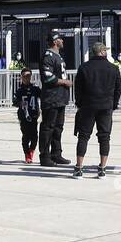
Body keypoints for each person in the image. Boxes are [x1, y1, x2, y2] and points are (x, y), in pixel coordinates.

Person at [71, 43, 120, 178]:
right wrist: (113, 105)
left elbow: (78, 88)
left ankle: (79, 167)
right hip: (106, 106)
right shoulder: (113, 68)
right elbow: (118, 89)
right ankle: (102, 168)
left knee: (84, 136)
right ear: (102, 52)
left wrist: (80, 103)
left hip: (88, 106)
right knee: (104, 137)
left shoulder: (84, 67)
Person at [37, 32, 71, 168]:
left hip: (61, 98)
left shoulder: (58, 56)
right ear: (55, 41)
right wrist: (64, 82)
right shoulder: (48, 56)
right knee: (48, 127)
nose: (63, 41)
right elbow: (48, 77)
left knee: (58, 127)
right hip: (51, 98)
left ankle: (56, 153)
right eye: (60, 39)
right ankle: (44, 156)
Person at [12, 68, 41, 162]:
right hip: (23, 116)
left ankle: (31, 150)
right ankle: (27, 154)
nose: (26, 78)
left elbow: (43, 97)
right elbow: (15, 102)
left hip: (33, 115)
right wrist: (20, 103)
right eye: (24, 76)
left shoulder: (35, 89)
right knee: (26, 136)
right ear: (21, 77)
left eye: (28, 76)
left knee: (35, 136)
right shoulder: (19, 90)